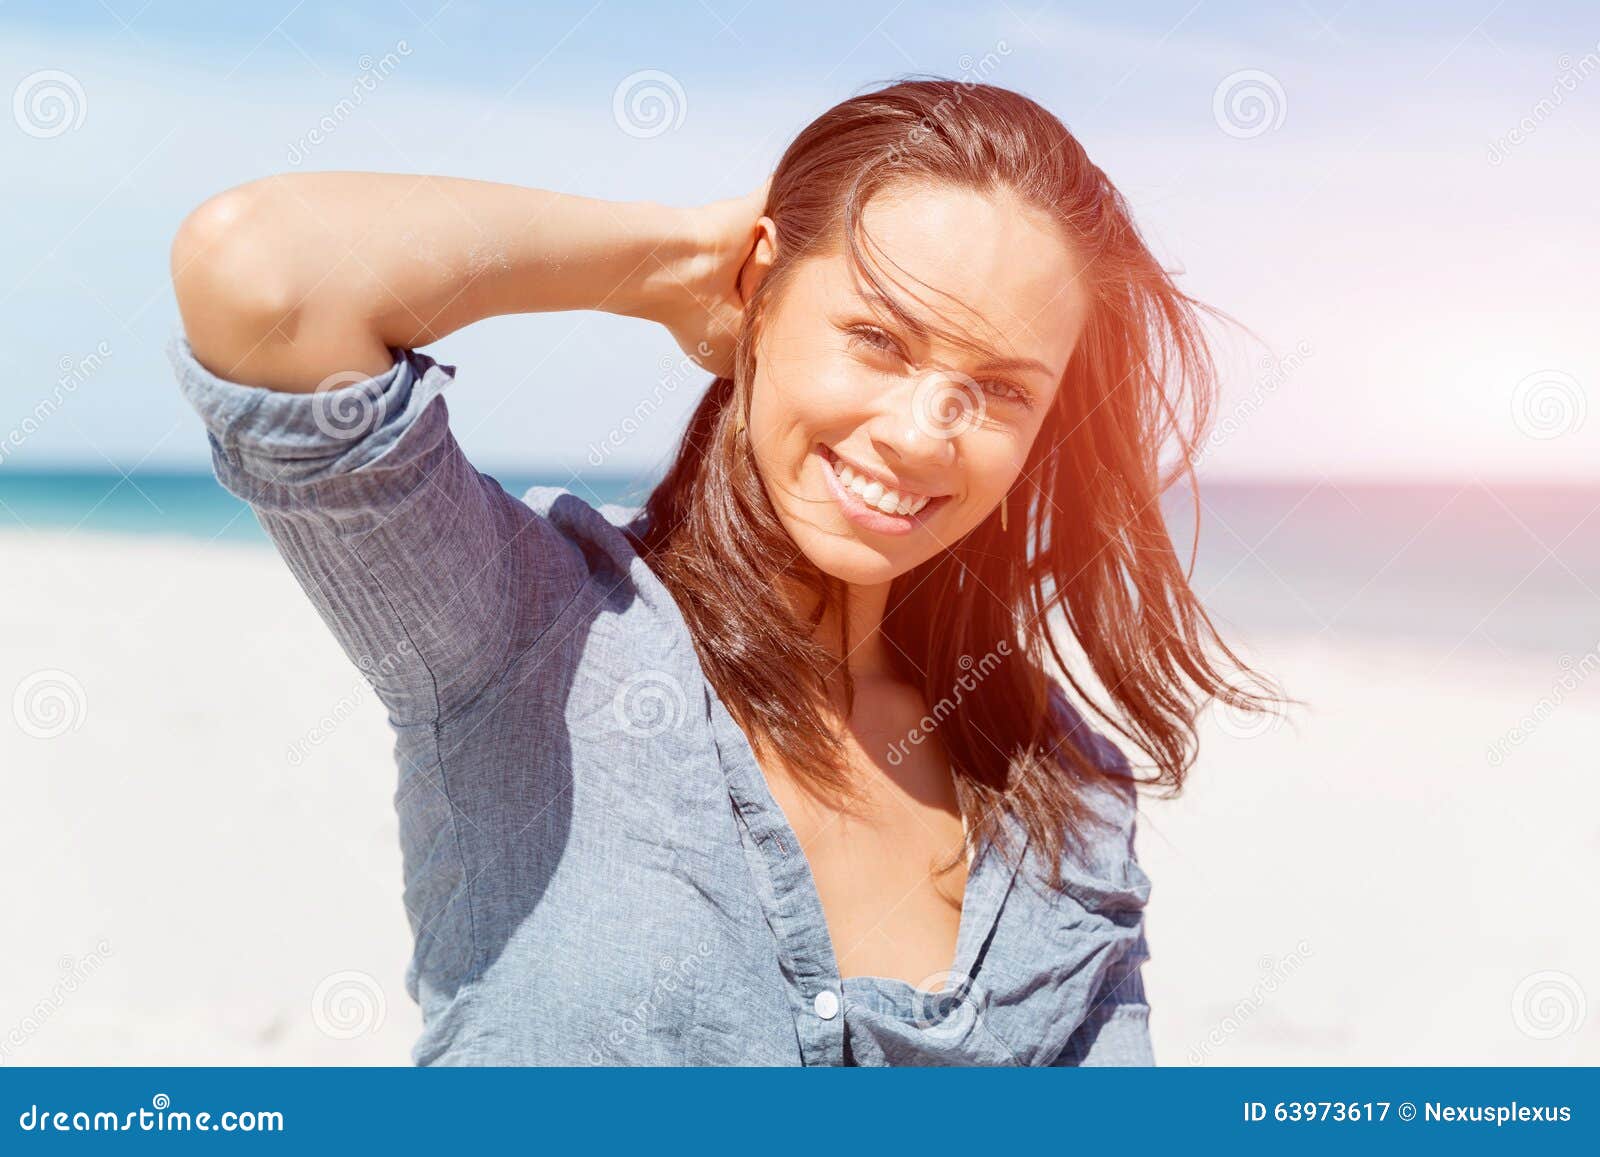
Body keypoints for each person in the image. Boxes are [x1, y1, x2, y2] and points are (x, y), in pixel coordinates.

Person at [166, 77, 1279, 1065]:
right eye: (880, 339)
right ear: (758, 290)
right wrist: (661, 264)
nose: (920, 432)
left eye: (1000, 389)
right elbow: (261, 275)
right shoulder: (530, 632)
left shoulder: (1064, 785)